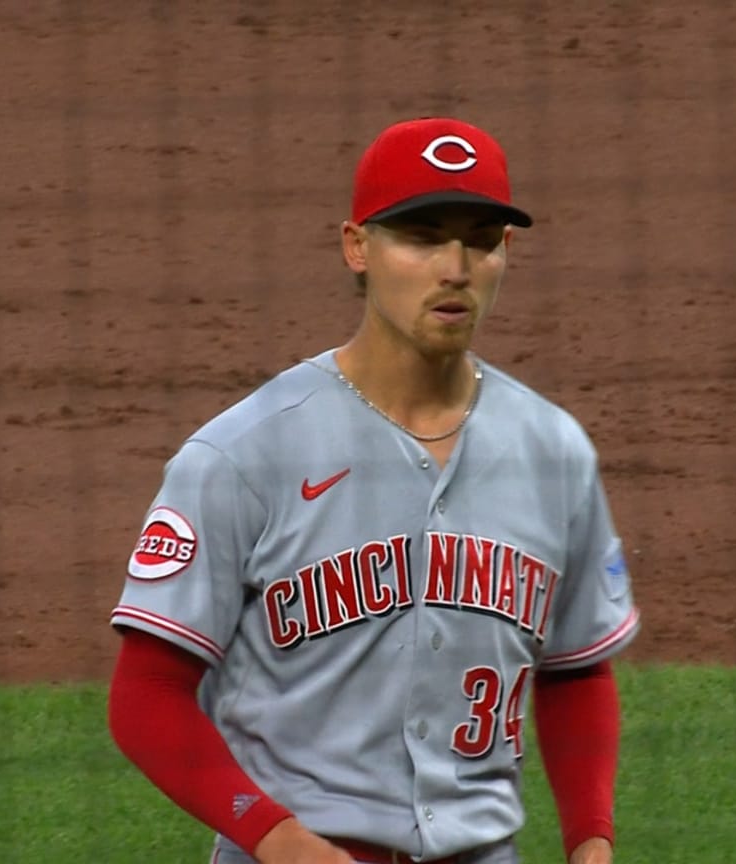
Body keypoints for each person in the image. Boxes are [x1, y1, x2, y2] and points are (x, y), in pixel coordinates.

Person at [107, 116, 640, 864]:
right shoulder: (246, 452)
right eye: (421, 236)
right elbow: (146, 698)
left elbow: (578, 667)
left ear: (505, 253)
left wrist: (591, 840)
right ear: (358, 247)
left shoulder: (551, 452)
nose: (454, 266)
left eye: (481, 240)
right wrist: (279, 839)